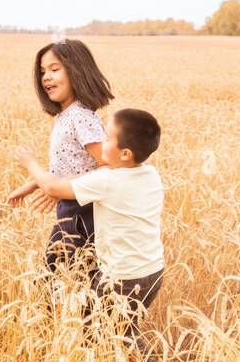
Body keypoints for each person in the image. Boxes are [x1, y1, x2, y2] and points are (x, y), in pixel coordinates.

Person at [15, 107, 164, 341]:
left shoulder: (107, 180)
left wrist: (31, 164)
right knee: (123, 331)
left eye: (107, 137)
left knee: (95, 336)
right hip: (152, 271)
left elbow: (54, 189)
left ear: (124, 154)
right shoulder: (151, 174)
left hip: (120, 277)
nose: (101, 142)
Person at [6, 39, 114, 279]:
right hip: (71, 204)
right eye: (43, 71)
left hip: (83, 211)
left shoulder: (81, 116)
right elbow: (70, 163)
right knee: (58, 277)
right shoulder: (65, 115)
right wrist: (33, 185)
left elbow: (108, 167)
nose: (46, 77)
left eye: (55, 69)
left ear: (77, 70)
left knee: (59, 278)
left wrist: (32, 165)